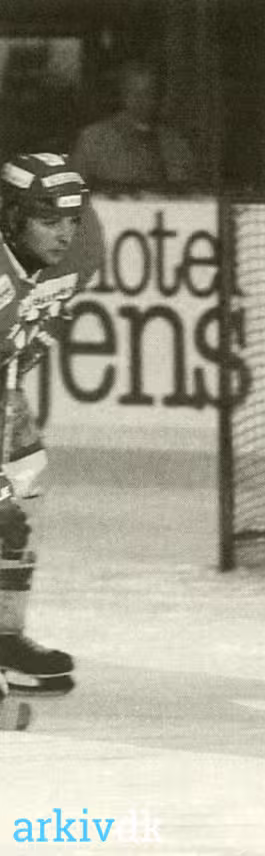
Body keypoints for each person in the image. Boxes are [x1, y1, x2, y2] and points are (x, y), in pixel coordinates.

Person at [0, 152, 100, 702]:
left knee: (25, 481)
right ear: (12, 216)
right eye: (48, 221)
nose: (64, 235)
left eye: (70, 220)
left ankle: (5, 638)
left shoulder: (83, 247)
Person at [70, 61, 204, 187]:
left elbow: (191, 193)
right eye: (132, 92)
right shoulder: (93, 139)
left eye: (147, 92)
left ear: (157, 96)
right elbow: (75, 193)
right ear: (121, 94)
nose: (140, 99)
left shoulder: (175, 143)